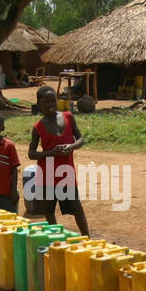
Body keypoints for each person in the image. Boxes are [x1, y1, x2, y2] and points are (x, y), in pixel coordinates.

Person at [27, 85, 89, 236]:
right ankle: (56, 239)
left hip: (66, 174)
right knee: (49, 211)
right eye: (46, 102)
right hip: (47, 176)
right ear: (39, 103)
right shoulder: (38, 127)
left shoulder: (68, 117)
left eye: (53, 101)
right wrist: (51, 153)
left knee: (77, 209)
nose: (50, 105)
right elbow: (31, 154)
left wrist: (71, 146)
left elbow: (80, 139)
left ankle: (87, 238)